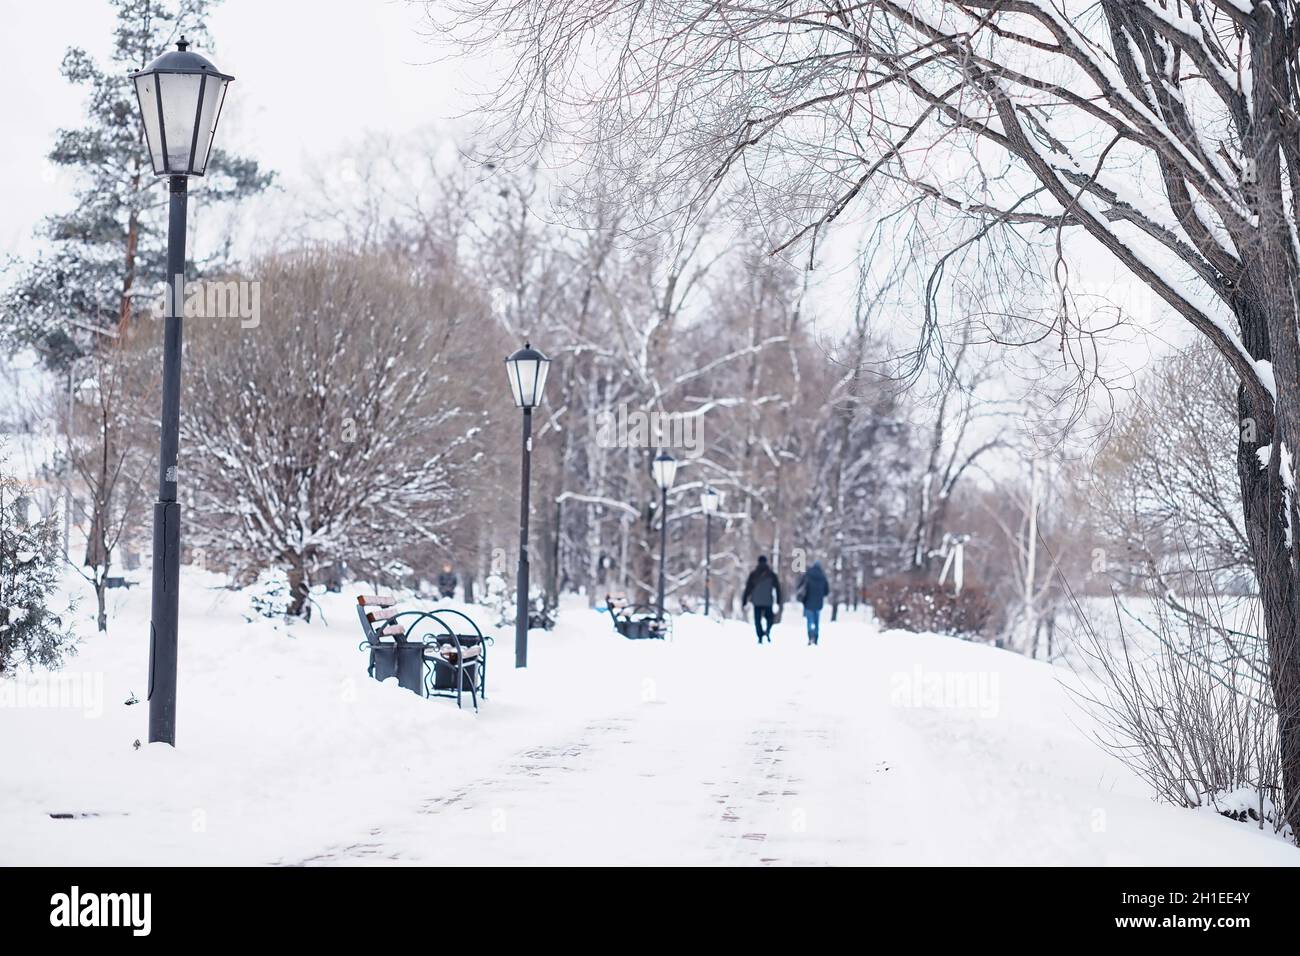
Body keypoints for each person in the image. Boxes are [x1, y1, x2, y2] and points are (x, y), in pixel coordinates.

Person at [742, 555, 782, 644]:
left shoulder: (753, 574)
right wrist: (778, 601)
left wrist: (744, 601)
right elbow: (778, 588)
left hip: (757, 601)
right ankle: (767, 630)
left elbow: (748, 588)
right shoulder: (771, 574)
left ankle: (760, 636)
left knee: (757, 620)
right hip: (768, 601)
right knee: (770, 619)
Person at [795, 561, 830, 646]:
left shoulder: (807, 575)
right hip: (818, 603)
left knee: (809, 621)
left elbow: (800, 586)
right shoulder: (822, 577)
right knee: (817, 622)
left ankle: (810, 637)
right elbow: (826, 591)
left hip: (808, 602)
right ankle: (816, 638)